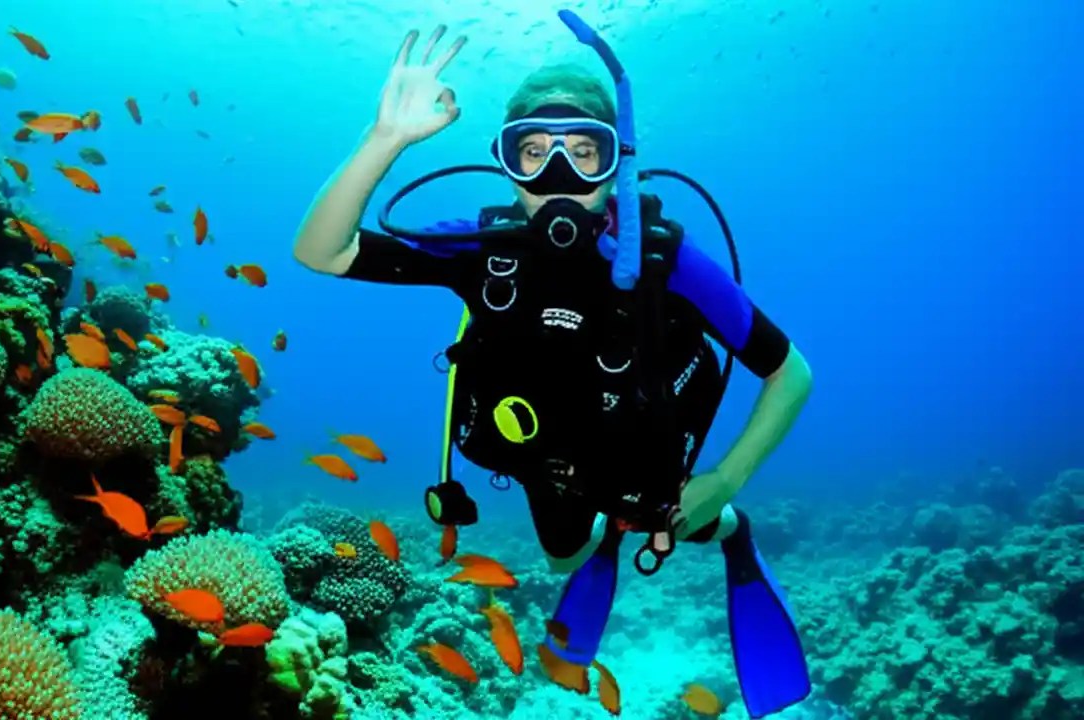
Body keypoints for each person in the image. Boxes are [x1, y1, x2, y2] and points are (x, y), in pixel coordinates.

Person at [293, 19, 814, 719]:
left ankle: (731, 529)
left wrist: (722, 480)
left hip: (648, 455)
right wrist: (384, 139)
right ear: (506, 164)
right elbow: (321, 252)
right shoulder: (483, 249)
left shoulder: (666, 259)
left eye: (584, 151)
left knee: (679, 519)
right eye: (532, 152)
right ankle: (614, 535)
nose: (559, 176)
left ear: (618, 162)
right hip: (550, 460)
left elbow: (791, 373)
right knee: (566, 559)